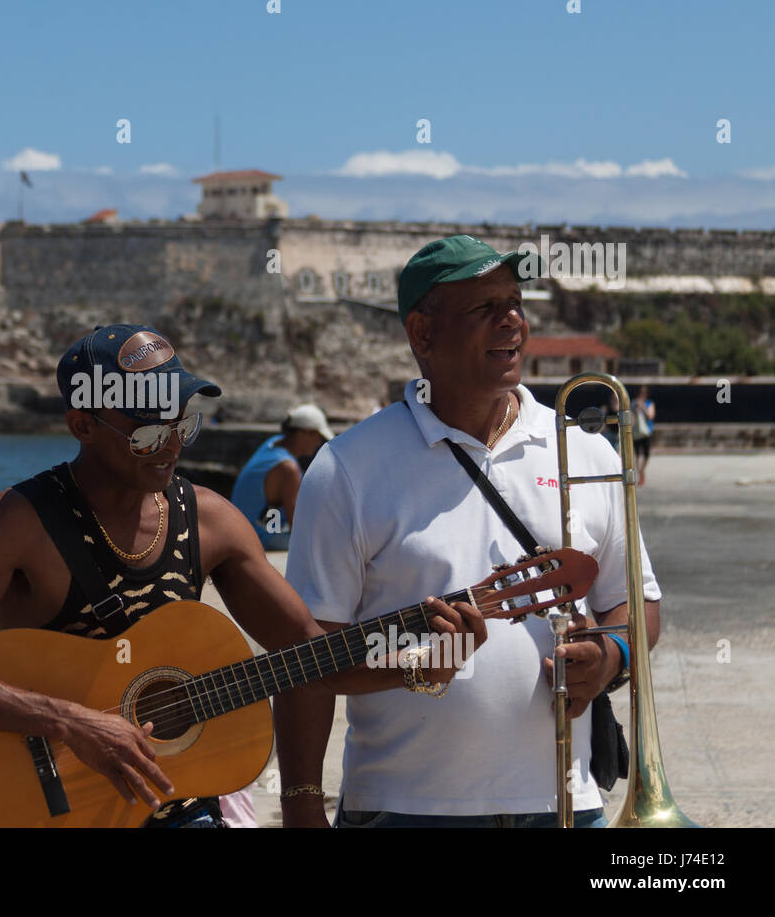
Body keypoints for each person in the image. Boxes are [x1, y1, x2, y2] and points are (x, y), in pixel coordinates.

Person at [0, 324, 484, 827]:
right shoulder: (15, 521)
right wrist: (72, 722)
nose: (173, 443)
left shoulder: (212, 521)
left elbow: (310, 652)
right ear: (82, 424)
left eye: (184, 421)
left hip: (181, 808)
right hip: (54, 806)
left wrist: (414, 667)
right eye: (149, 430)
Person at [280, 235, 663, 828]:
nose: (512, 319)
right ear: (422, 334)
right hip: (405, 809)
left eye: (515, 302)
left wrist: (610, 654)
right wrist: (302, 805)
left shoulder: (585, 453)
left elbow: (633, 602)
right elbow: (306, 657)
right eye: (484, 308)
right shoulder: (347, 468)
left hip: (566, 806)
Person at [230, 403, 333, 550]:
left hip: (245, 528)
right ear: (304, 433)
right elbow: (297, 526)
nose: (319, 443)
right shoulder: (288, 469)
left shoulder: (272, 443)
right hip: (259, 536)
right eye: (318, 436)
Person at [631, 385, 656, 486]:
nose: (642, 394)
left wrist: (643, 407)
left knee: (646, 454)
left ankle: (641, 471)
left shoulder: (649, 403)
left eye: (644, 393)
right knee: (637, 454)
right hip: (636, 431)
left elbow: (651, 416)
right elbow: (631, 418)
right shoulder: (633, 403)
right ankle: (639, 474)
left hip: (646, 431)